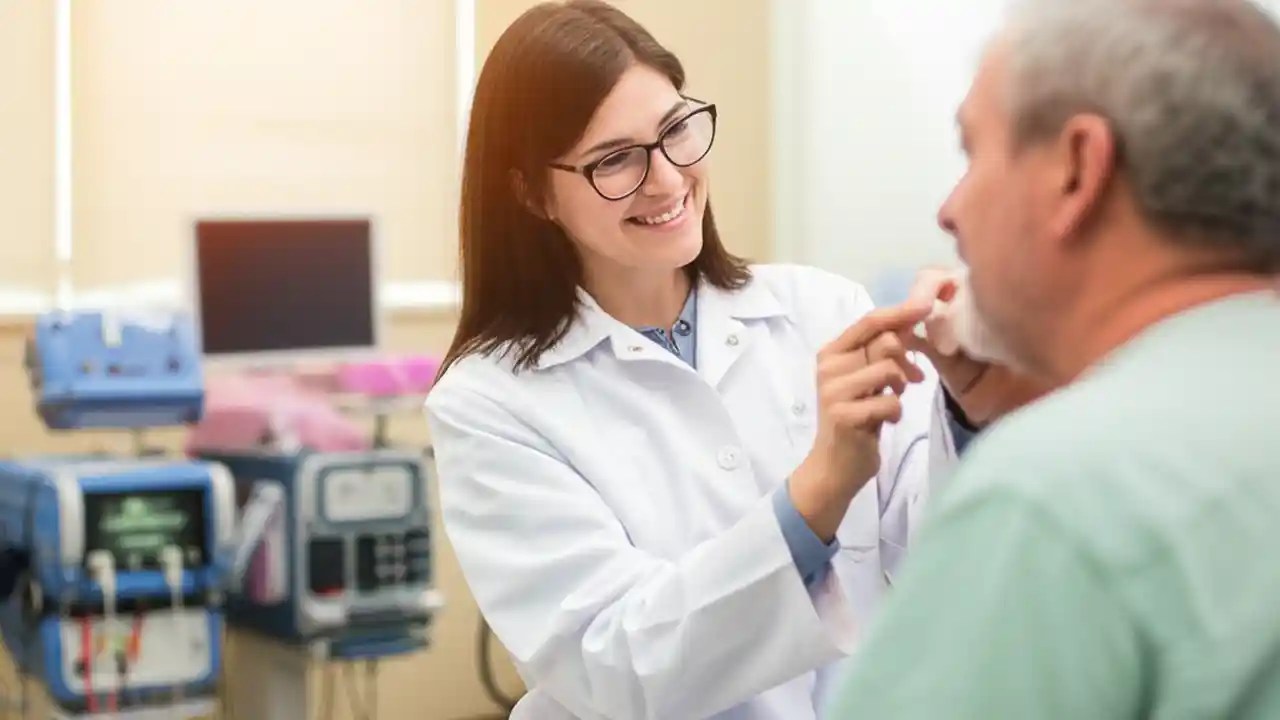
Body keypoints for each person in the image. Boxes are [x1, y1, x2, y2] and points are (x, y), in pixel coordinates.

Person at [423, 2, 1035, 718]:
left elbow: (947, 556)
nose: (666, 179)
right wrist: (815, 498)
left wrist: (968, 410)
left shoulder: (823, 310)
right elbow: (616, 666)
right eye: (615, 159)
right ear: (532, 194)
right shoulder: (488, 403)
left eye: (675, 130)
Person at [828, 0, 1280, 717]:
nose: (949, 210)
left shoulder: (1057, 494)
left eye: (972, 152)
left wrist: (1054, 441)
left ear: (1077, 168)